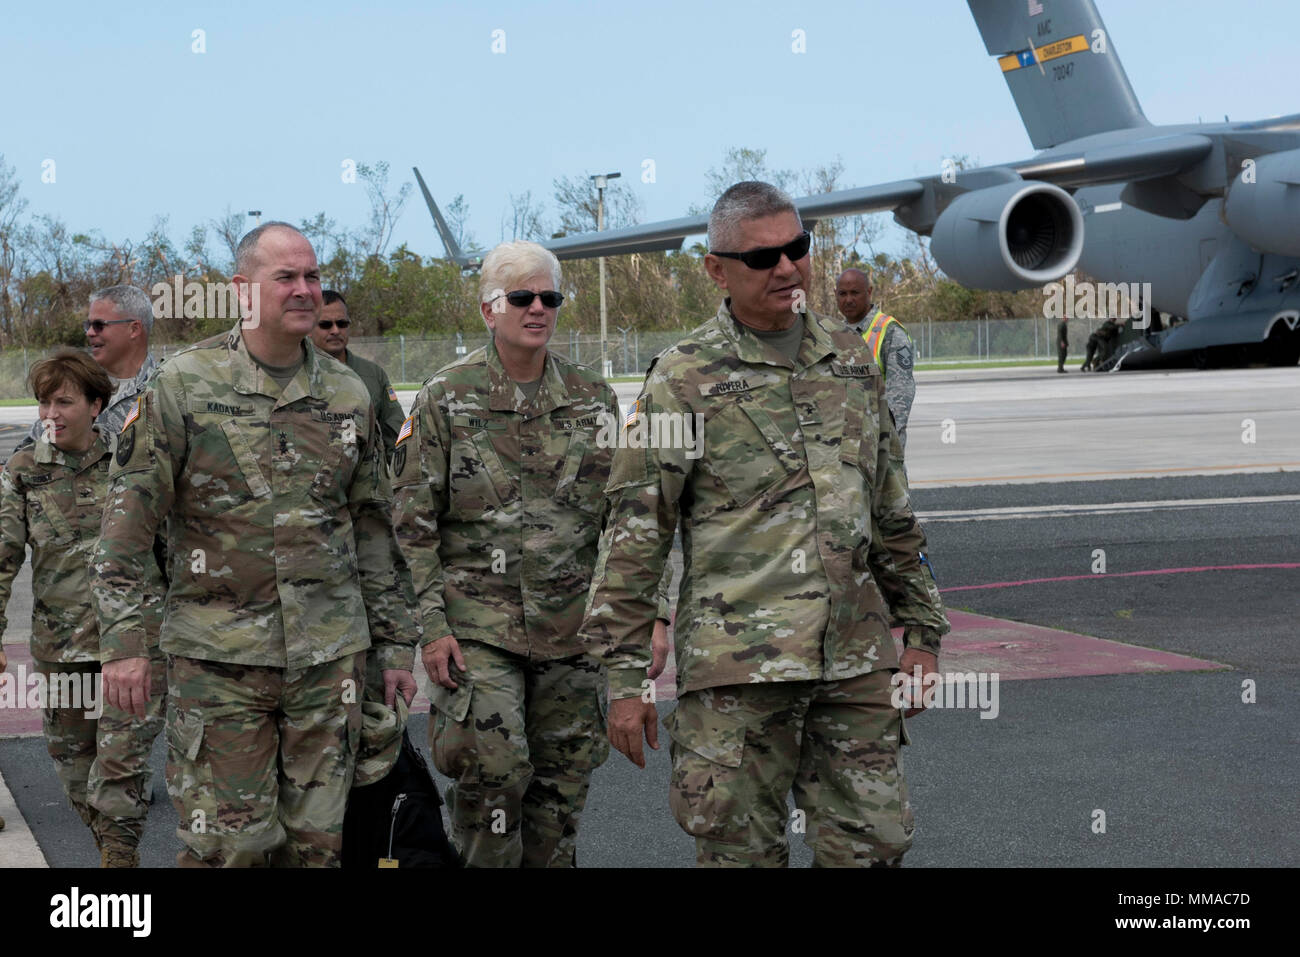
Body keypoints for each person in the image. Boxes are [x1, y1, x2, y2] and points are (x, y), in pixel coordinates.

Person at [580, 181, 950, 867]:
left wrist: (924, 631)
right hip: (736, 675)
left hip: (854, 662)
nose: (787, 267)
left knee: (875, 845)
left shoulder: (850, 358)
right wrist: (626, 680)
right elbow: (636, 532)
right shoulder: (682, 378)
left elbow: (891, 508)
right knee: (741, 856)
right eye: (762, 257)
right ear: (717, 270)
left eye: (797, 248)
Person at [91, 221, 420, 867]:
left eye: (313, 276)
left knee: (317, 850)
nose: (305, 290)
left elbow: (373, 532)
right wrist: (124, 645)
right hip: (219, 664)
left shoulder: (349, 394)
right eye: (286, 277)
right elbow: (125, 530)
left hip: (329, 665)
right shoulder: (184, 386)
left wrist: (394, 644)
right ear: (243, 290)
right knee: (230, 850)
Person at [392, 240, 671, 867]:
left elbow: (627, 517)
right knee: (493, 774)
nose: (538, 308)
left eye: (550, 297)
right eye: (522, 297)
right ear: (489, 308)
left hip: (573, 632)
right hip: (478, 630)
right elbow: (410, 527)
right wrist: (431, 631)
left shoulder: (592, 398)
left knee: (559, 794)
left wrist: (653, 614)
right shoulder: (446, 398)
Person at [0, 349, 166, 867]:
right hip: (61, 649)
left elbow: (170, 549)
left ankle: (119, 865)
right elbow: (2, 557)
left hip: (134, 645)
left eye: (64, 401)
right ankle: (113, 854)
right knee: (77, 773)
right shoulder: (24, 469)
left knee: (121, 768)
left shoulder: (130, 461)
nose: (51, 413)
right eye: (45, 402)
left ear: (97, 406)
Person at [309, 290, 406, 460]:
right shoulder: (295, 374)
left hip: (366, 479)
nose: (335, 330)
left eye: (342, 323)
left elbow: (396, 433)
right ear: (309, 328)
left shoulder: (373, 375)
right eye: (325, 324)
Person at [835, 268, 916, 449]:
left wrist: (886, 442)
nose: (848, 299)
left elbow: (900, 397)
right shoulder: (834, 333)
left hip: (879, 446)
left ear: (869, 292)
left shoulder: (891, 332)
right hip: (845, 447)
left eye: (855, 293)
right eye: (843, 294)